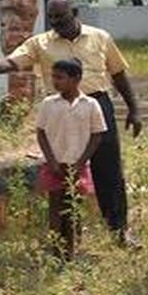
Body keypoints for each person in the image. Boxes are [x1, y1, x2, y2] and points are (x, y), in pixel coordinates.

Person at [0, 0, 142, 248]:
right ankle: (67, 238)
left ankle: (120, 230)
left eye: (61, 18)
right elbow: (10, 63)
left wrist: (134, 109)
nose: (55, 23)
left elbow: (118, 73)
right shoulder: (39, 44)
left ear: (75, 13)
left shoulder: (101, 37)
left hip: (97, 106)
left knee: (108, 170)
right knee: (63, 170)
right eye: (51, 18)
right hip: (61, 113)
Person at [36, 58, 107, 260]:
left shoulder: (91, 104)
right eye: (53, 77)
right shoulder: (49, 104)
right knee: (56, 206)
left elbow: (97, 134)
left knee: (73, 207)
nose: (55, 81)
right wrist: (51, 161)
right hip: (55, 165)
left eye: (60, 77)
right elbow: (41, 133)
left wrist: (82, 161)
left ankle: (71, 249)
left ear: (76, 79)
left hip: (78, 165)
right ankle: (56, 250)